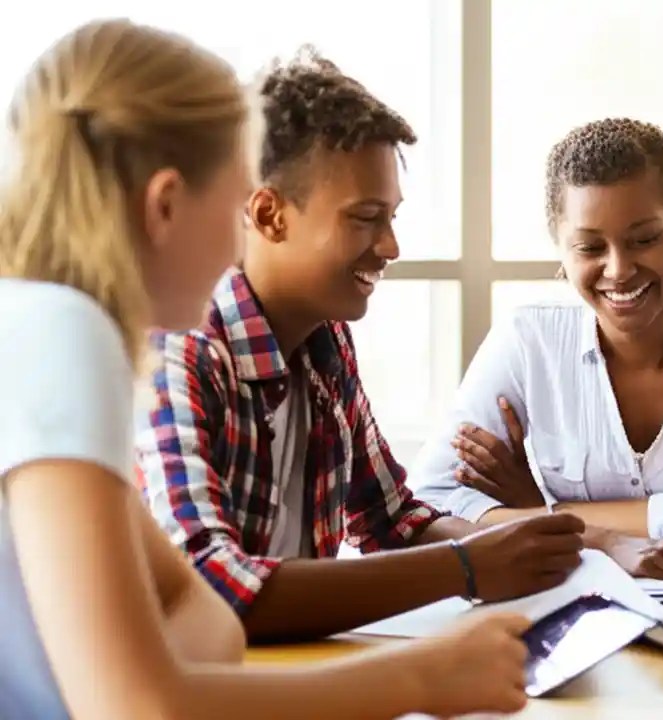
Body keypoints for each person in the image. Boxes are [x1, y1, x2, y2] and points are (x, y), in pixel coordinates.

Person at [0, 19, 536, 719]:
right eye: (232, 209)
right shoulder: (65, 335)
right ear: (166, 206)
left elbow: (208, 617)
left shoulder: (48, 326)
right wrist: (420, 678)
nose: (236, 241)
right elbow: (142, 705)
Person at [134, 47, 584, 643]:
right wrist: (466, 567)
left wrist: (543, 546)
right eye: (366, 218)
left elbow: (391, 520)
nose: (391, 246)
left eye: (392, 216)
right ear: (269, 215)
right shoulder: (182, 353)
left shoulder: (325, 343)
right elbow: (208, 588)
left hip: (292, 677)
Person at [410, 118, 663, 579]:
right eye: (589, 246)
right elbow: (426, 504)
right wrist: (598, 538)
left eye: (644, 240)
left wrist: (544, 509)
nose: (618, 270)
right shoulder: (527, 338)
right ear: (559, 246)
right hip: (569, 613)